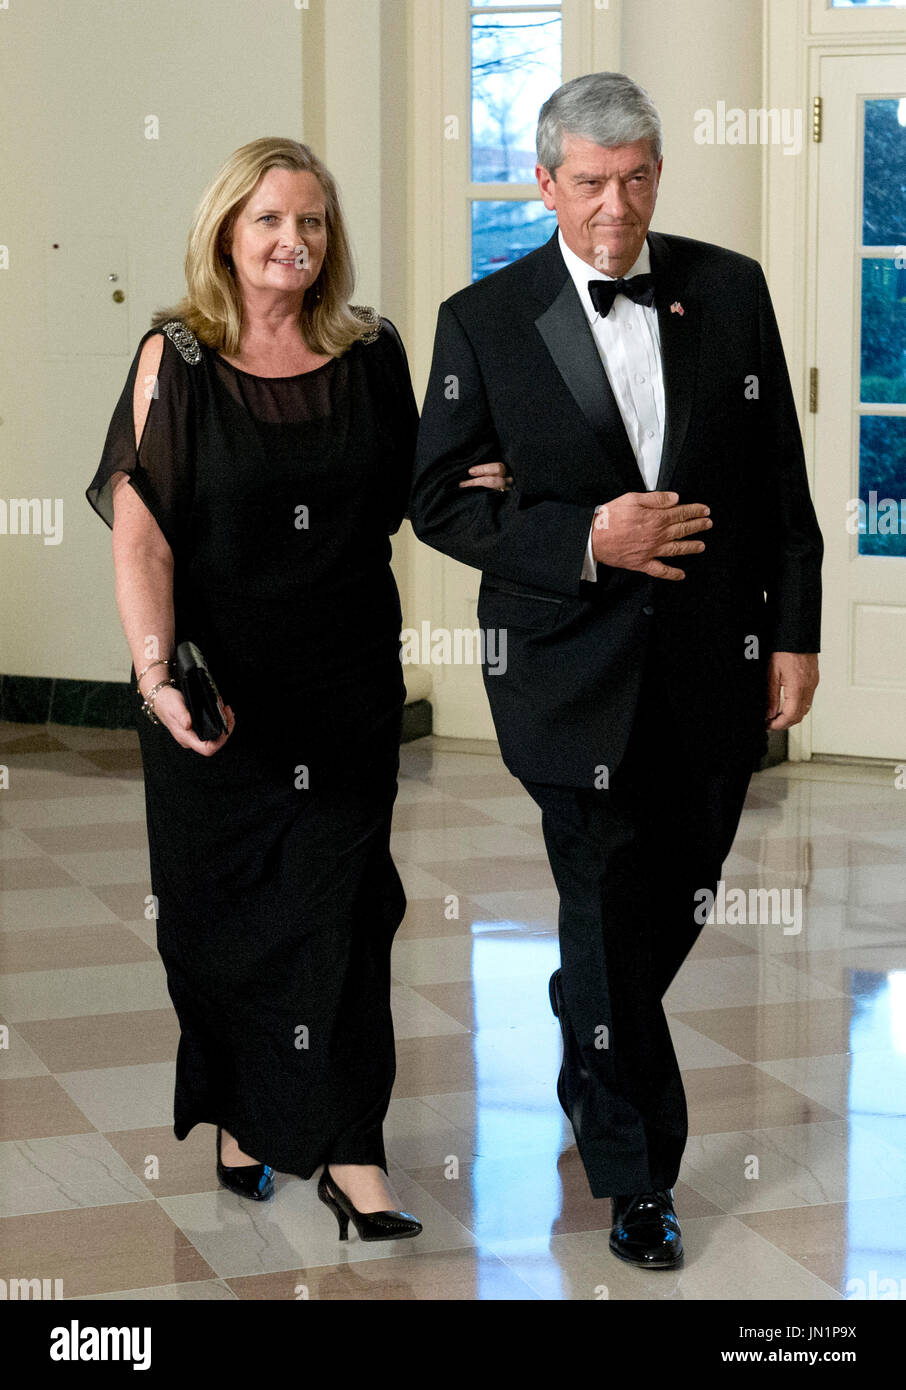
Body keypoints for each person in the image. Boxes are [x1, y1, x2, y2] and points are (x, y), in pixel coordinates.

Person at [409, 73, 822, 1269]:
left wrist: (793, 636)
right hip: (564, 677)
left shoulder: (730, 290)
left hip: (713, 668)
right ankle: (639, 1178)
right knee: (600, 903)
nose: (616, 205)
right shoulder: (481, 321)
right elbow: (435, 497)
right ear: (545, 182)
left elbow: (778, 489)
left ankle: (583, 1012)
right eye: (590, 181)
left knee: (667, 905)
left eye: (638, 176)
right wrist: (587, 536)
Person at [86, 137, 507, 1238]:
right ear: (227, 230)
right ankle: (240, 1109)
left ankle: (353, 1153)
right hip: (214, 692)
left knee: (347, 914)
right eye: (271, 219)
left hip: (345, 685)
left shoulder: (371, 352)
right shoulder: (175, 357)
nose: (295, 241)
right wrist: (153, 675)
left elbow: (423, 487)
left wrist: (503, 471)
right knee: (222, 924)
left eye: (313, 222)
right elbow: (143, 536)